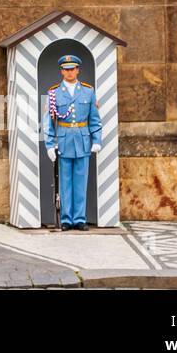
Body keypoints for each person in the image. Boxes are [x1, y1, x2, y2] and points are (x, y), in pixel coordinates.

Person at [43, 55, 103, 231]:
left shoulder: (88, 91)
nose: (69, 72)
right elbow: (48, 121)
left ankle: (80, 219)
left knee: (81, 182)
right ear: (61, 71)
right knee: (65, 181)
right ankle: (67, 219)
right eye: (66, 69)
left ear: (78, 70)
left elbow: (94, 120)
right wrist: (49, 145)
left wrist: (96, 140)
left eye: (73, 68)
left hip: (83, 141)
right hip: (63, 141)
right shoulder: (53, 93)